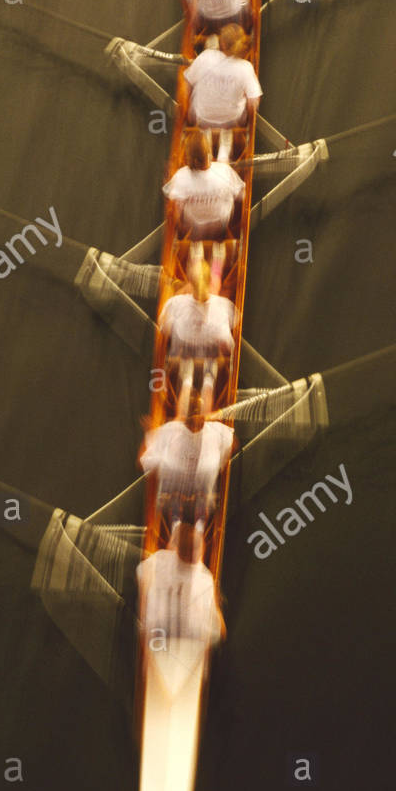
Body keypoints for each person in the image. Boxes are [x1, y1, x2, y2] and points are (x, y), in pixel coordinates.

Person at [139, 390, 235, 529]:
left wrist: (151, 434)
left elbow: (144, 461)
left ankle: (192, 524)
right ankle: (184, 524)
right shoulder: (169, 432)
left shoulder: (216, 432)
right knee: (179, 502)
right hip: (178, 501)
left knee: (193, 503)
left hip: (197, 501)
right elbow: (144, 462)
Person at [160, 260, 237, 412]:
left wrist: (181, 291)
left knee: (187, 375)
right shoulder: (224, 306)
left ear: (190, 282)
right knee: (209, 378)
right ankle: (205, 418)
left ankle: (181, 411)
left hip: (183, 358)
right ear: (209, 281)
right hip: (209, 359)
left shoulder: (175, 303)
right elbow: (229, 345)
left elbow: (163, 328)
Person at [136, 520, 226, 647]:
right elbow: (217, 633)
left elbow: (216, 633)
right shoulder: (205, 579)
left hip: (167, 640)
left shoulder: (205, 580)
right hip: (164, 639)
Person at [162, 130, 244, 239]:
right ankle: (224, 153)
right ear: (208, 153)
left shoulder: (181, 176)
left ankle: (223, 154)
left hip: (194, 227)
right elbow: (242, 196)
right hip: (221, 224)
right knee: (223, 168)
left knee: (179, 201)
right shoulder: (225, 171)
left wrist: (170, 177)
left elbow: (171, 201)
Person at [184, 23, 262, 136]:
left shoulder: (205, 56)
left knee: (210, 47)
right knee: (245, 94)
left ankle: (212, 40)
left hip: (201, 117)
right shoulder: (246, 67)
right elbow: (254, 103)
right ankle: (225, 142)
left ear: (223, 45)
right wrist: (247, 122)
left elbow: (186, 84)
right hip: (232, 120)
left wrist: (188, 115)